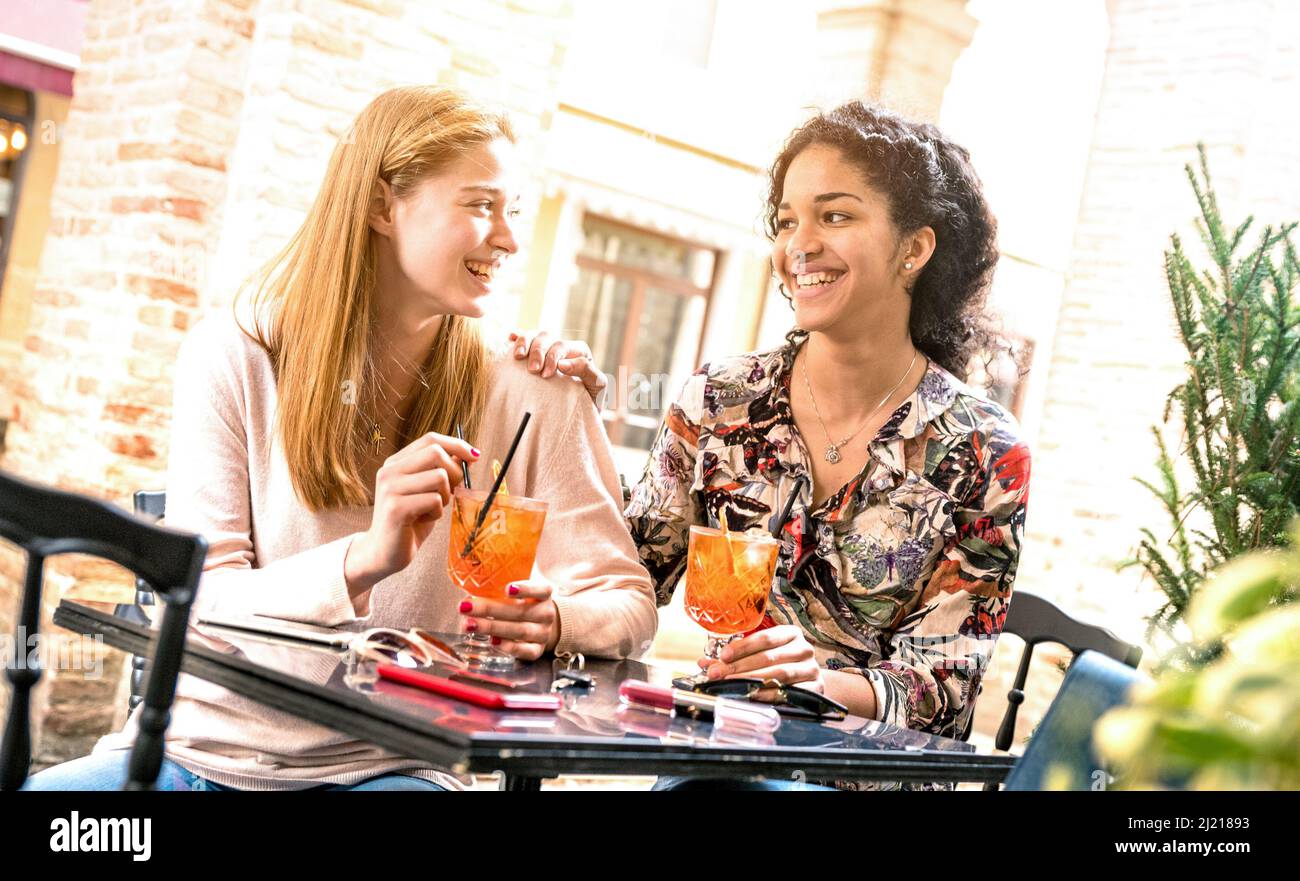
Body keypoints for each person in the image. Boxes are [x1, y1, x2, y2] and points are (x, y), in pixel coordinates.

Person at [25, 86, 656, 791]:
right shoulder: (234, 356)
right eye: (481, 205)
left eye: (512, 210)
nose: (508, 237)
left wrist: (556, 618)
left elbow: (628, 601)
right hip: (199, 752)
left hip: (390, 766)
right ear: (384, 206)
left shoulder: (535, 387)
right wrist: (362, 558)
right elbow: (205, 596)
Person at [516, 101, 1030, 788]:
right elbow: (627, 576)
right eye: (787, 221)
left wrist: (816, 680)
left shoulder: (986, 449)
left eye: (835, 215)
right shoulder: (722, 401)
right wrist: (570, 421)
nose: (799, 244)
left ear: (915, 248)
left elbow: (944, 688)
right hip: (720, 762)